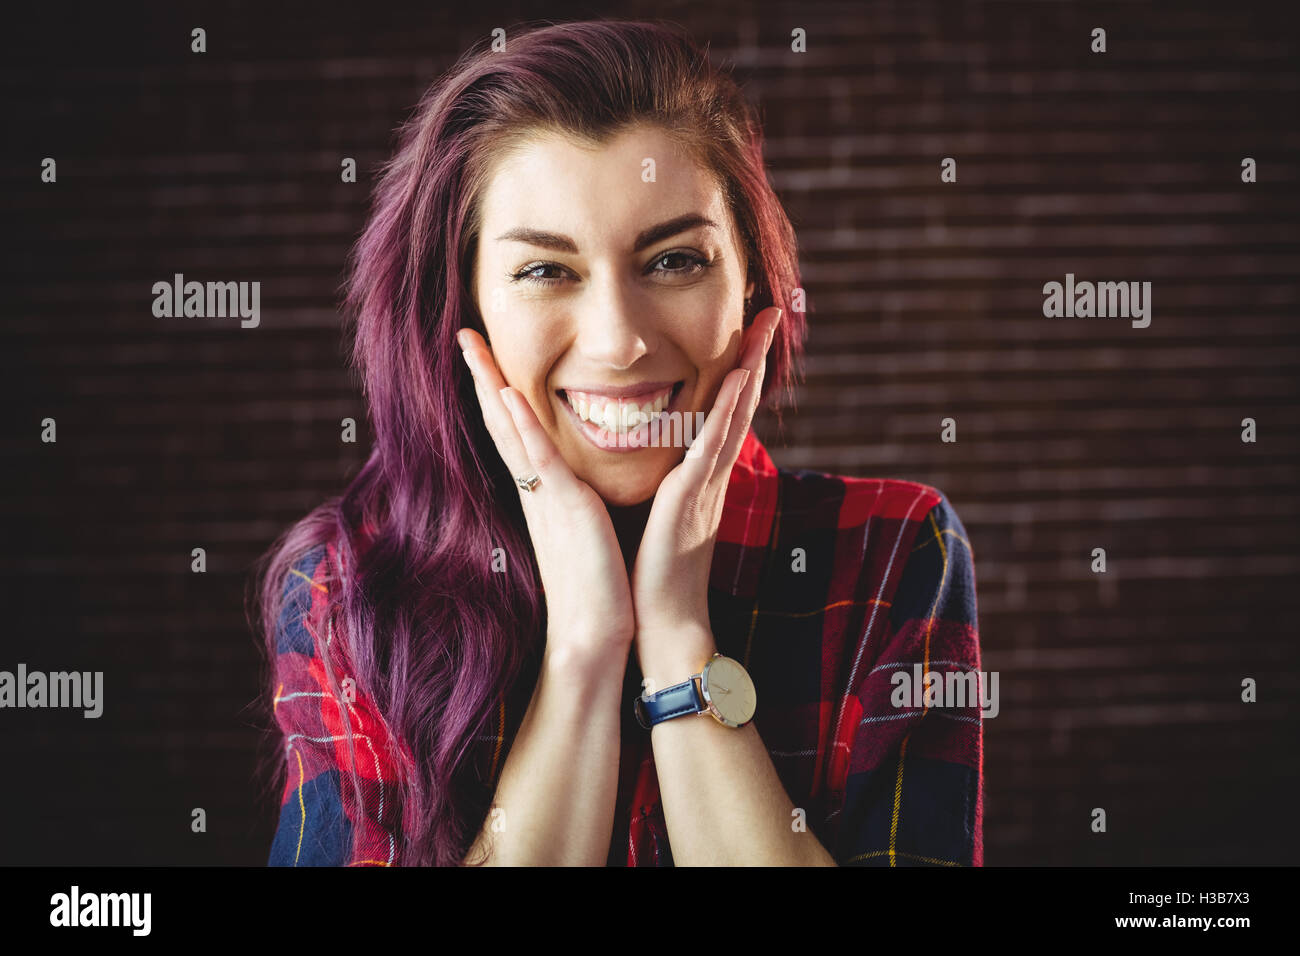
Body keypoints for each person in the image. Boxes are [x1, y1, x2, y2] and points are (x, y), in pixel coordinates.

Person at [253, 19, 983, 867]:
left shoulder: (893, 553)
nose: (619, 342)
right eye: (544, 270)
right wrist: (585, 650)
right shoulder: (348, 584)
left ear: (751, 280)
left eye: (674, 261)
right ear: (462, 310)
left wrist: (677, 636)